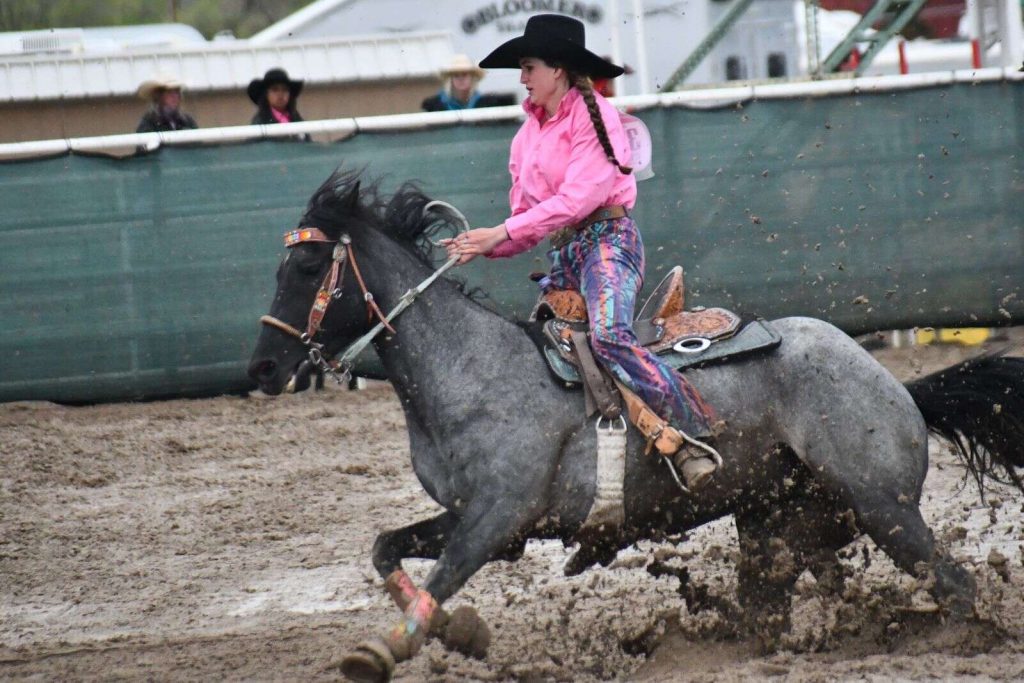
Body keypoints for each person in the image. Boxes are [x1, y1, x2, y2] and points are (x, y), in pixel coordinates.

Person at [443, 14, 720, 490]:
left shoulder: (598, 118)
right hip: (566, 257)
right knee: (538, 357)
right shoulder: (525, 138)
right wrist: (482, 246)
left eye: (528, 66)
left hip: (609, 245)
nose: (522, 78)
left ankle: (696, 430)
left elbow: (577, 201)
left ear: (558, 70)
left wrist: (499, 231)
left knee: (610, 336)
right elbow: (529, 226)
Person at [420, 54, 516, 112]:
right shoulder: (435, 105)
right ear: (450, 80)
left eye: (465, 75)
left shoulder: (484, 103)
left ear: (472, 78)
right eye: (456, 75)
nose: (461, 79)